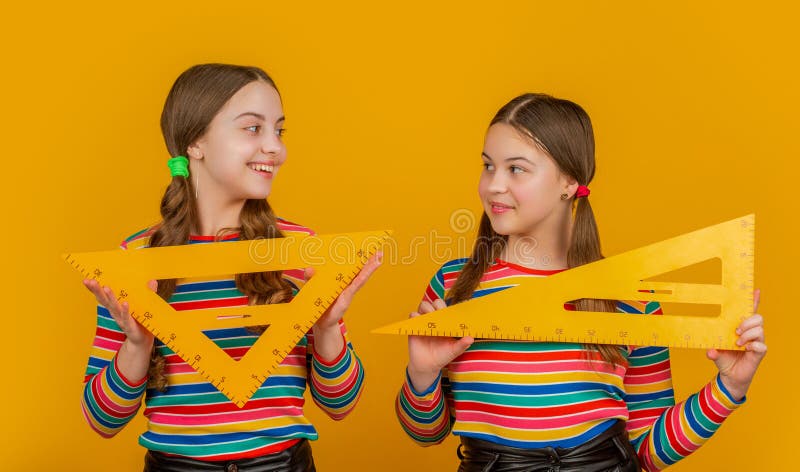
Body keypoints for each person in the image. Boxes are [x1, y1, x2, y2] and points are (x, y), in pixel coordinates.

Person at [395, 93, 765, 471]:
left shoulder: (631, 298)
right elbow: (425, 432)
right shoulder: (454, 285)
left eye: (516, 168)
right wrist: (421, 376)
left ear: (569, 182)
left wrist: (728, 389)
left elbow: (648, 452)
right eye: (488, 166)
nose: (493, 185)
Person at [81, 63, 381, 471]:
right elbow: (102, 420)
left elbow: (341, 403)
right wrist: (137, 346)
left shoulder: (298, 251)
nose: (276, 147)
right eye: (252, 128)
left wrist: (327, 329)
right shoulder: (137, 259)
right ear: (196, 143)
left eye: (279, 130)